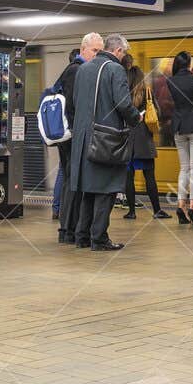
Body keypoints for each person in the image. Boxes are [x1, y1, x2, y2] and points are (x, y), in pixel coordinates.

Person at [67, 33, 140, 251]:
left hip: (82, 138)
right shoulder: (114, 69)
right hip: (105, 139)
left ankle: (82, 236)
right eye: (124, 53)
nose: (123, 57)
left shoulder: (83, 69)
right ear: (118, 50)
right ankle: (98, 238)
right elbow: (123, 104)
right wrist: (136, 118)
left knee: (88, 189)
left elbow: (74, 101)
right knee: (107, 189)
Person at [55, 35, 101, 242]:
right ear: (83, 49)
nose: (97, 56)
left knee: (71, 180)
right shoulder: (76, 70)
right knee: (73, 181)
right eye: (95, 51)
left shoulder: (74, 70)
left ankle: (69, 228)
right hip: (72, 134)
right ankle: (68, 230)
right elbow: (73, 106)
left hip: (70, 133)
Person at [122, 63, 168, 220]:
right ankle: (156, 211)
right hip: (144, 141)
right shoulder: (147, 92)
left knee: (128, 177)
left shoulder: (123, 94)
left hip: (127, 140)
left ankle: (131, 212)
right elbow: (158, 113)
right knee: (150, 177)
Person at [165, 50, 193, 226]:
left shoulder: (170, 81)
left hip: (178, 127)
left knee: (184, 168)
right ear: (189, 64)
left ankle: (181, 204)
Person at [51, 48, 81, 219]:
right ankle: (62, 210)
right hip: (69, 131)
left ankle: (57, 208)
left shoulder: (62, 77)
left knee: (63, 170)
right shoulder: (74, 75)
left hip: (60, 130)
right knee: (66, 171)